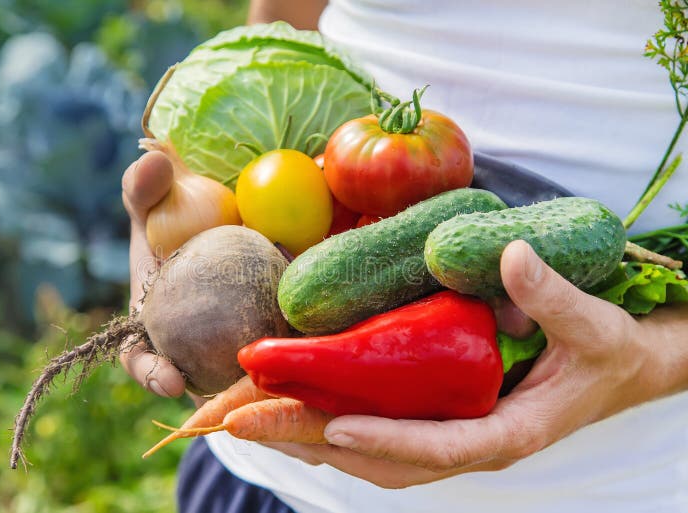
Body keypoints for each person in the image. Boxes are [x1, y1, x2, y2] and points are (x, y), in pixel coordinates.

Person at [121, 1, 688, 512]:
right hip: (273, 475)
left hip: (614, 488)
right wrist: (190, 204)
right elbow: (283, 25)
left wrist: (651, 358)